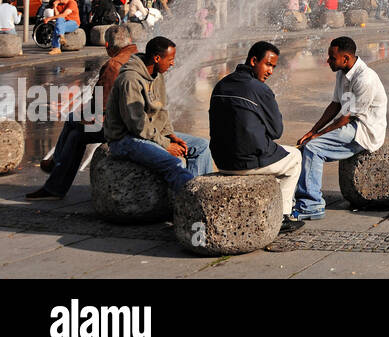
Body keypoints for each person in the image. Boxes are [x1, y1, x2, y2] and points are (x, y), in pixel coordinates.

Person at [26, 25, 136, 200]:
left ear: (107, 45)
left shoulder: (113, 65)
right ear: (129, 41)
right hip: (133, 121)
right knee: (75, 126)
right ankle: (55, 171)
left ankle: (56, 177)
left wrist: (87, 116)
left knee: (75, 132)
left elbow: (101, 103)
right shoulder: (137, 57)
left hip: (120, 126)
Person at [209, 40, 304, 233]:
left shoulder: (221, 84)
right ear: (254, 61)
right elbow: (277, 132)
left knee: (277, 155)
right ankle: (283, 216)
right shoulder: (260, 89)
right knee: (295, 157)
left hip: (222, 161)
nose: (270, 71)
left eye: (273, 67)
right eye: (268, 65)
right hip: (248, 162)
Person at [291, 36, 388, 222]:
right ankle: (302, 196)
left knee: (313, 149)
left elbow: (345, 118)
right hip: (351, 123)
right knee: (308, 145)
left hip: (364, 130)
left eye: (331, 58)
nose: (328, 61)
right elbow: (335, 105)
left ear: (345, 58)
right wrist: (312, 132)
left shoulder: (365, 79)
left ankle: (312, 205)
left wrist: (317, 137)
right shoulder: (342, 72)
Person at [104, 35, 214, 191]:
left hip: (147, 134)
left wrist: (170, 135)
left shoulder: (158, 76)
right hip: (125, 139)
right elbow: (137, 126)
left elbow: (161, 110)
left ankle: (201, 193)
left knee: (202, 146)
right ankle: (190, 198)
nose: (172, 63)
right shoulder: (130, 80)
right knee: (173, 163)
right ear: (156, 58)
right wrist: (165, 144)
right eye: (170, 59)